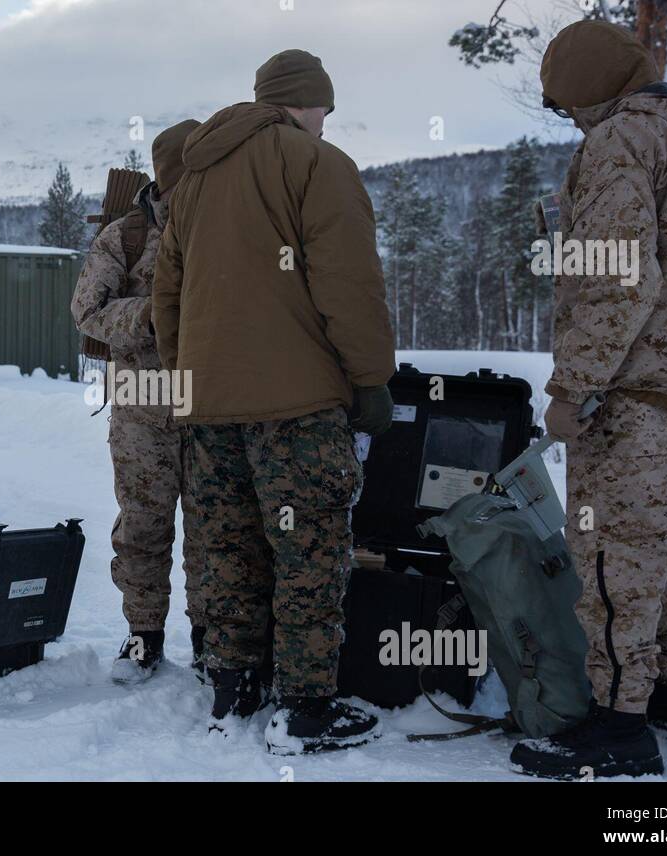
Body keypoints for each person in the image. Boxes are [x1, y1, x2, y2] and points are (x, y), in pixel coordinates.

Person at [151, 49, 395, 754]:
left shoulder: (195, 176)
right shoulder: (318, 165)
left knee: (228, 551)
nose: (327, 120)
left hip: (209, 410)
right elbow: (348, 283)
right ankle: (306, 708)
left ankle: (232, 689)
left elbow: (169, 292)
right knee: (307, 553)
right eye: (325, 107)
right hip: (296, 407)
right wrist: (371, 379)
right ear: (304, 102)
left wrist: (185, 377)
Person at [510, 20, 667, 780]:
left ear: (596, 86)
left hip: (632, 394)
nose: (571, 119)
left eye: (568, 103)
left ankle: (620, 725)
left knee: (614, 557)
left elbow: (616, 279)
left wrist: (574, 387)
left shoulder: (621, 142)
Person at [71, 119, 205, 683]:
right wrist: (152, 315)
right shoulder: (124, 236)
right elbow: (87, 311)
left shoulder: (220, 231)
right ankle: (143, 635)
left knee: (211, 525)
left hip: (210, 398)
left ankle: (212, 639)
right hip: (142, 395)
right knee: (144, 524)